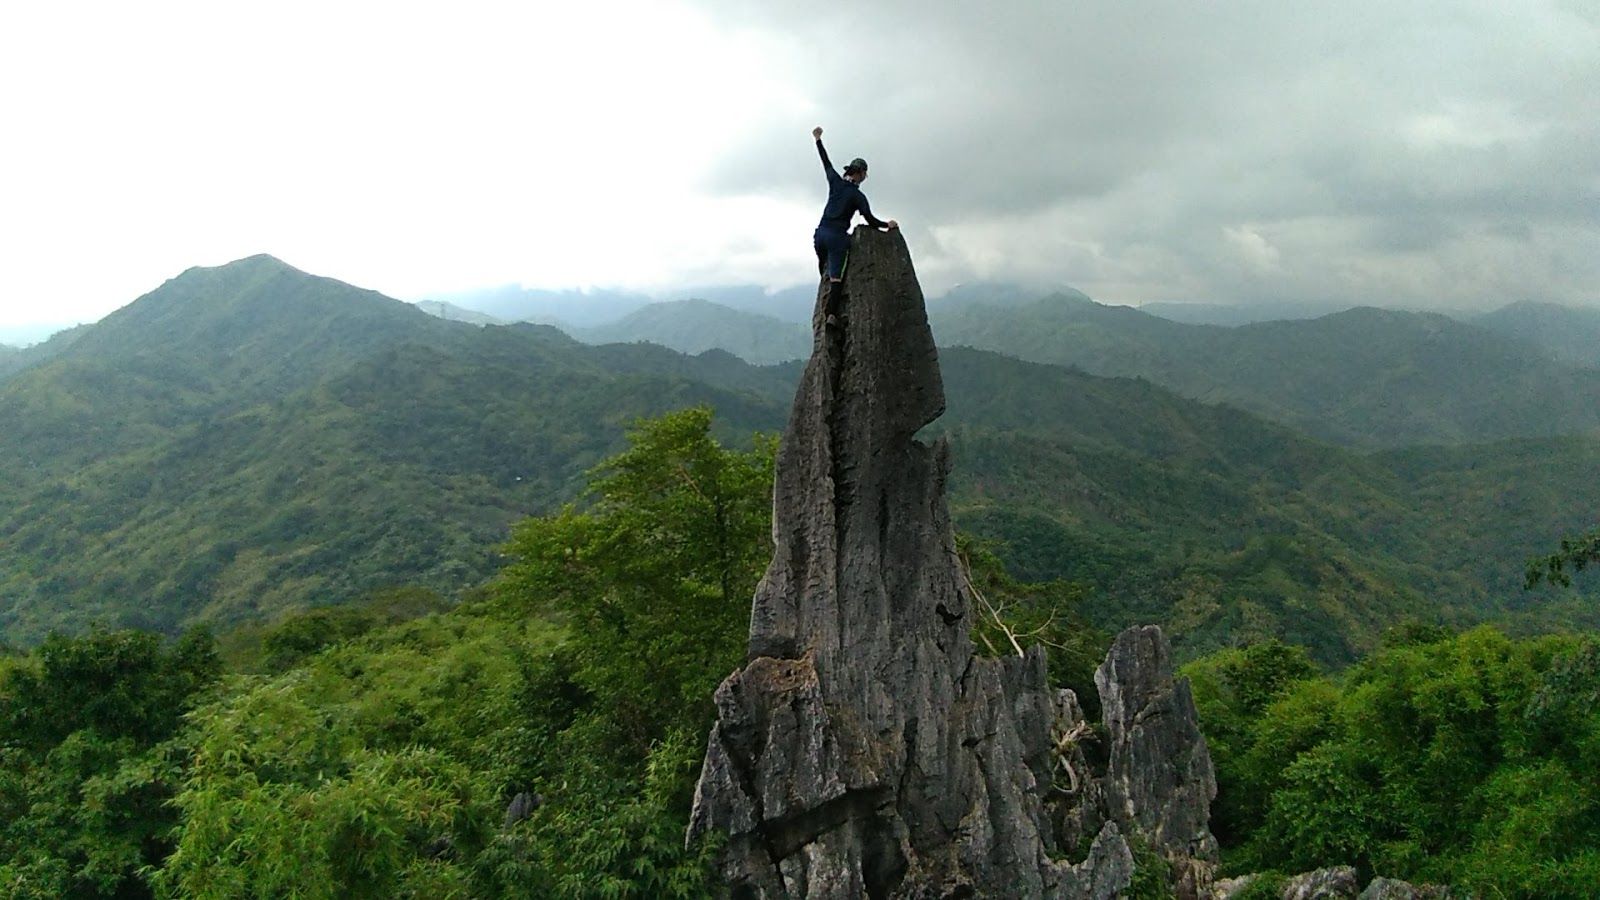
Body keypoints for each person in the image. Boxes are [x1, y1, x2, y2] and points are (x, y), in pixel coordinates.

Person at [812, 126, 897, 292]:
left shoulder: (835, 182)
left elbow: (826, 162)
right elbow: (871, 220)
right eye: (865, 174)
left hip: (820, 234)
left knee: (824, 270)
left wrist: (818, 139)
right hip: (837, 238)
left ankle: (824, 291)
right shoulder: (858, 197)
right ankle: (831, 314)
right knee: (837, 277)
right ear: (861, 174)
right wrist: (888, 225)